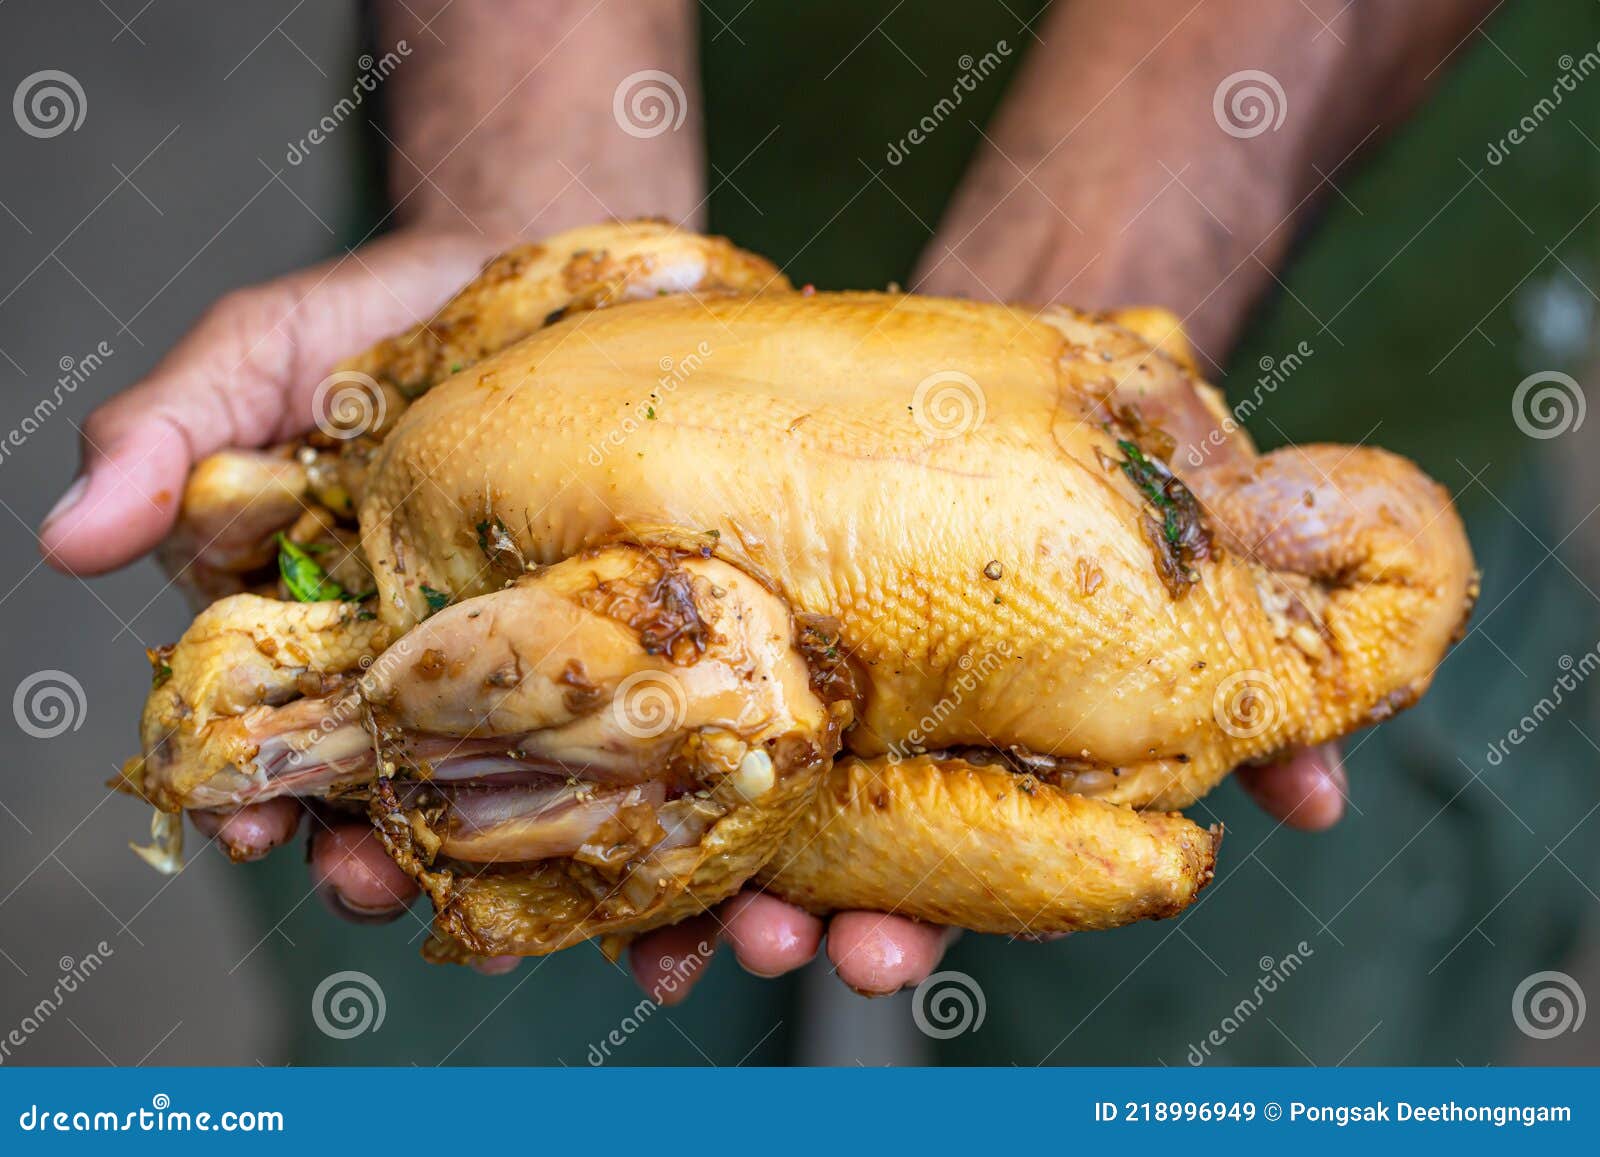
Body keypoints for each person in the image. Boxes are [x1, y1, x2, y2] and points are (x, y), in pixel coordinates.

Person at [38, 1, 1598, 1063]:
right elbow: (1107, 840)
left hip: (1335, 308)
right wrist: (527, 176)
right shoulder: (1172, 723)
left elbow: (1106, 844)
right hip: (546, 422)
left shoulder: (1179, 698)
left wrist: (1116, 260)